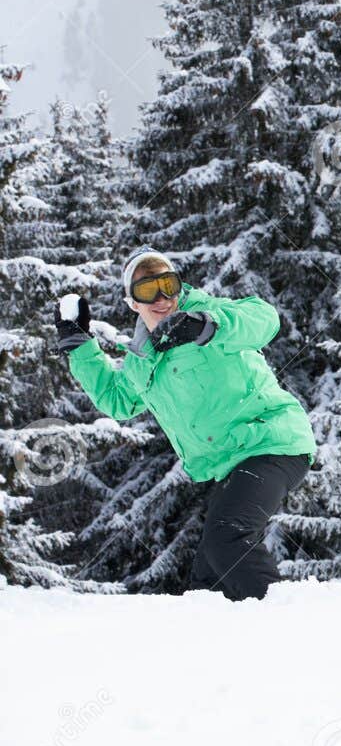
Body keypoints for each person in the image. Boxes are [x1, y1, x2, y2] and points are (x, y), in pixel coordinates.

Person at [55, 248, 316, 601]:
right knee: (208, 579)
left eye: (169, 285)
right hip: (229, 464)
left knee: (228, 538)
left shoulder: (206, 316)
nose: (162, 298)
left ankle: (293, 625)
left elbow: (264, 319)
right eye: (148, 290)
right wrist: (78, 345)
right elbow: (116, 400)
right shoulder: (142, 361)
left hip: (272, 442)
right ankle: (212, 643)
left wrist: (207, 326)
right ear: (133, 302)